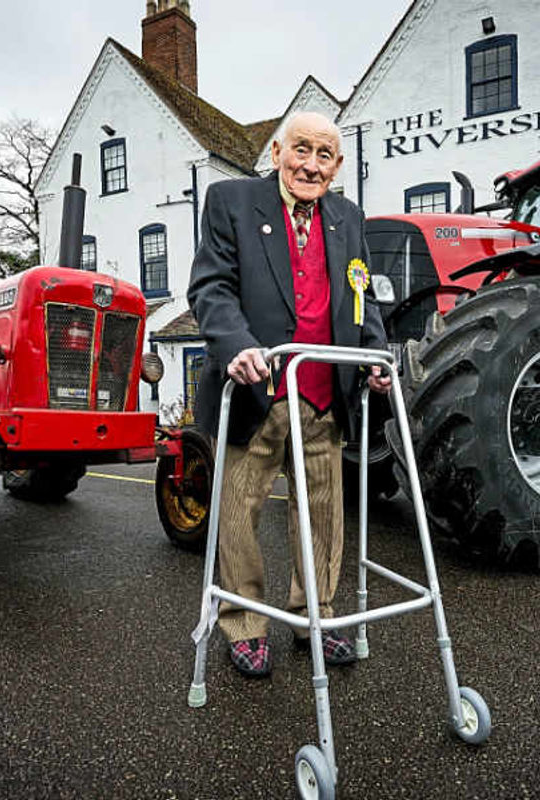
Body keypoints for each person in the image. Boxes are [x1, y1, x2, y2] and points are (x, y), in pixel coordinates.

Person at [188, 111, 391, 678]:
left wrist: (374, 353)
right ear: (277, 150)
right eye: (301, 150)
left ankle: (316, 616)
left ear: (338, 165)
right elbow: (211, 286)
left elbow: (360, 294)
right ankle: (245, 623)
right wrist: (237, 346)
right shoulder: (231, 201)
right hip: (258, 385)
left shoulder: (348, 217)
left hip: (326, 391)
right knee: (237, 513)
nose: (311, 164)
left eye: (324, 155)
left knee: (324, 512)